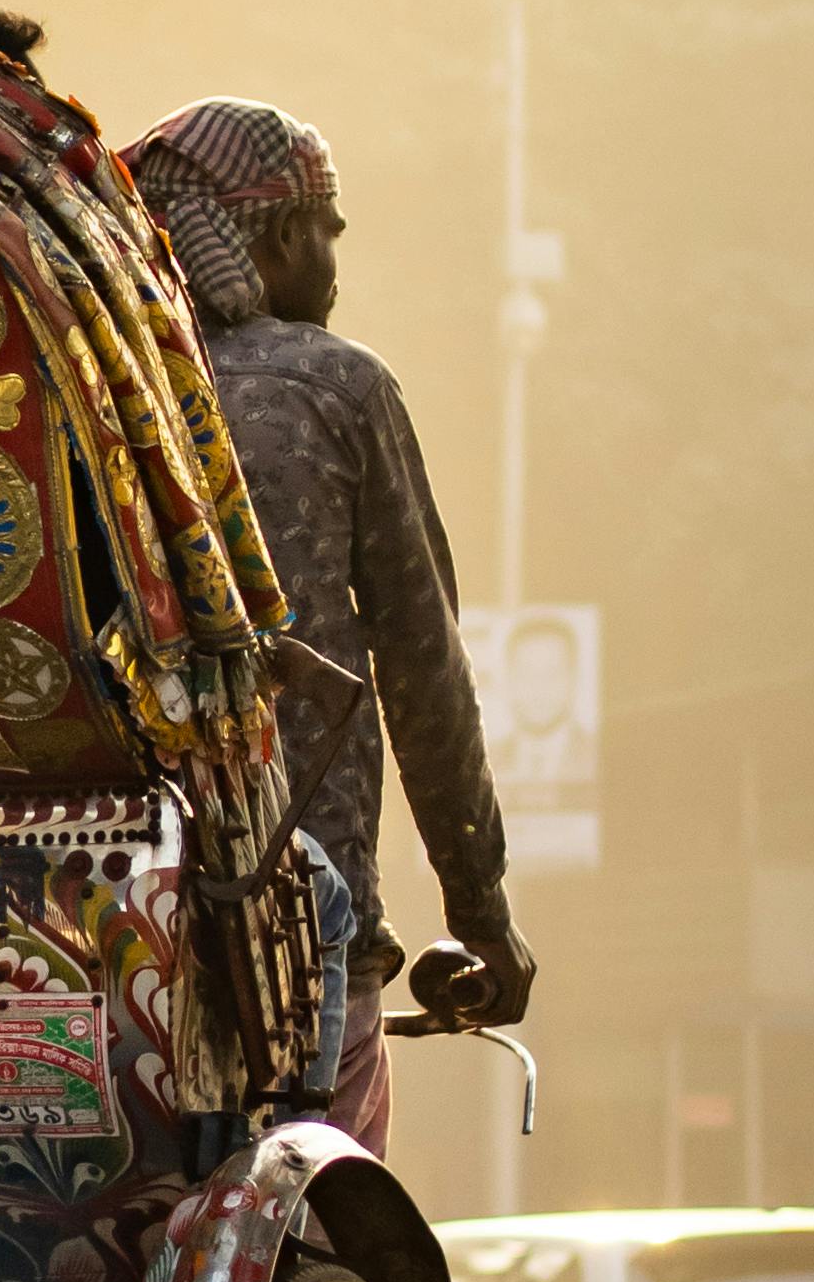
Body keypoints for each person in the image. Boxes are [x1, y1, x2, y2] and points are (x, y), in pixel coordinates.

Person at [125, 94, 527, 1159]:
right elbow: (424, 670)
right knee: (319, 1212)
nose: (335, 257)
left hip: (100, 924)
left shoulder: (91, 390)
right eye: (325, 227)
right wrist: (480, 912)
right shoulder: (337, 387)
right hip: (299, 924)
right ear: (276, 235)